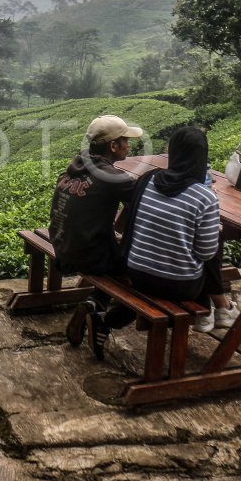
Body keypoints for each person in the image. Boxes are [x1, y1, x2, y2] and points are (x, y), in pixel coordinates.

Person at [122, 125, 238, 336]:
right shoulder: (204, 197)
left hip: (136, 273)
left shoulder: (148, 180)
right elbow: (206, 253)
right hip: (178, 286)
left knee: (191, 240)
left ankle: (214, 312)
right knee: (210, 246)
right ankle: (214, 310)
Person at [50, 115, 142, 348]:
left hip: (62, 246)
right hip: (87, 254)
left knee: (115, 250)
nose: (128, 146)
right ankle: (104, 319)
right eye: (124, 141)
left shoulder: (77, 165)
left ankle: (93, 304)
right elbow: (145, 203)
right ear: (113, 146)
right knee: (143, 276)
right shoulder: (112, 178)